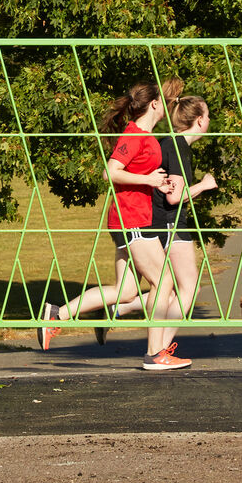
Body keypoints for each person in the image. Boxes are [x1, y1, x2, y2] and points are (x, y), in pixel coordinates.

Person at [39, 81, 191, 370]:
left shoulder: (143, 136)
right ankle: (155, 354)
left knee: (126, 292)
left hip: (133, 217)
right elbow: (111, 173)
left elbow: (135, 171)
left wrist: (158, 180)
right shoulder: (134, 135)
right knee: (165, 282)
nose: (170, 106)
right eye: (167, 101)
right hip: (133, 219)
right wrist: (148, 180)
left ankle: (57, 315)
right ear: (155, 105)